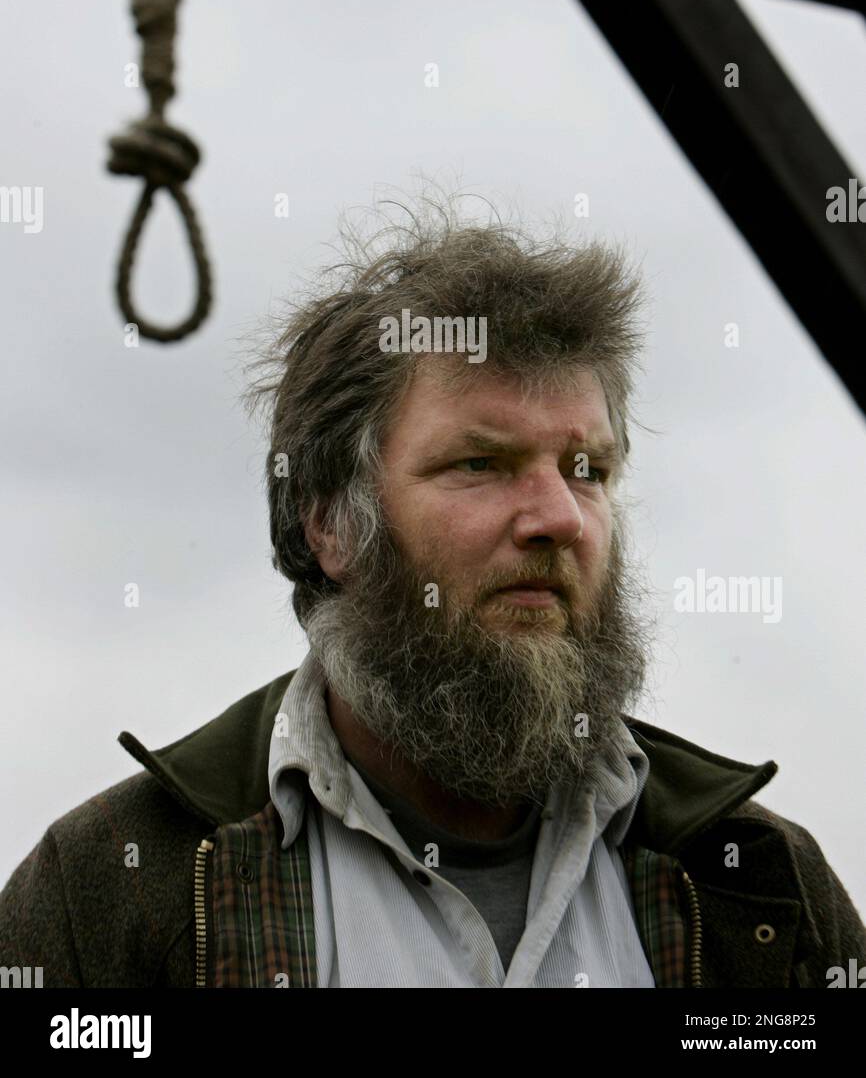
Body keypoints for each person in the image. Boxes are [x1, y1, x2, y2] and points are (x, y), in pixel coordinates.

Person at [1, 197, 863, 988]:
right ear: (333, 524)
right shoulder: (121, 879)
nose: (559, 517)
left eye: (588, 469)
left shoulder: (755, 881)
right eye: (480, 463)